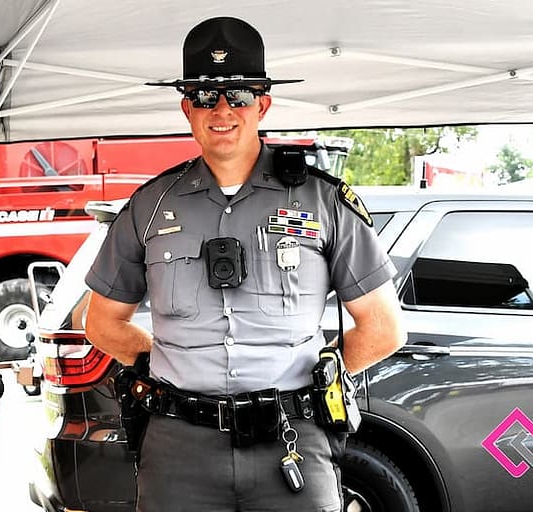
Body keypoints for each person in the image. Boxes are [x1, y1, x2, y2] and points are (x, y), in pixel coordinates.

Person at [84, 16, 406, 512]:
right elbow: (102, 322)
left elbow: (384, 328)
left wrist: (322, 380)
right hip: (179, 451)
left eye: (238, 95)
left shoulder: (322, 201)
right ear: (186, 107)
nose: (222, 110)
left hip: (290, 439)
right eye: (206, 96)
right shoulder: (149, 207)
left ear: (263, 103)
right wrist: (165, 368)